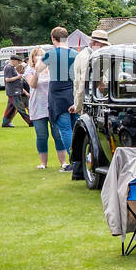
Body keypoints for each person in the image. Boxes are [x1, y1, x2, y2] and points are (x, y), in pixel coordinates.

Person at [25, 46, 69, 170]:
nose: (40, 58)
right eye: (37, 55)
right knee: (42, 135)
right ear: (32, 58)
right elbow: (32, 85)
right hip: (38, 106)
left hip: (52, 105)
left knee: (58, 134)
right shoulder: (29, 70)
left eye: (42, 55)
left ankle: (63, 161)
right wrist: (37, 71)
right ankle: (43, 163)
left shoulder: (51, 69)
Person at [42, 27, 75, 171]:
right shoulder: (75, 54)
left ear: (53, 38)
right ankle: (81, 159)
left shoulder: (51, 54)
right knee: (75, 128)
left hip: (59, 96)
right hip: (73, 94)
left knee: (65, 130)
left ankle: (74, 161)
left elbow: (38, 68)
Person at [71, 28, 109, 120]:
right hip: (90, 102)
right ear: (94, 43)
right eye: (102, 44)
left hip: (101, 100)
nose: (104, 47)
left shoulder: (102, 55)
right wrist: (78, 105)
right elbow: (80, 83)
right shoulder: (84, 57)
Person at [1, 55, 30, 126]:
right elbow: (7, 79)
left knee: (10, 109)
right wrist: (18, 77)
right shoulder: (8, 68)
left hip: (15, 91)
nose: (19, 64)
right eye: (18, 62)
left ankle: (5, 123)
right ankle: (31, 122)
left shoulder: (12, 68)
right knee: (21, 108)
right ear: (14, 61)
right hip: (13, 92)